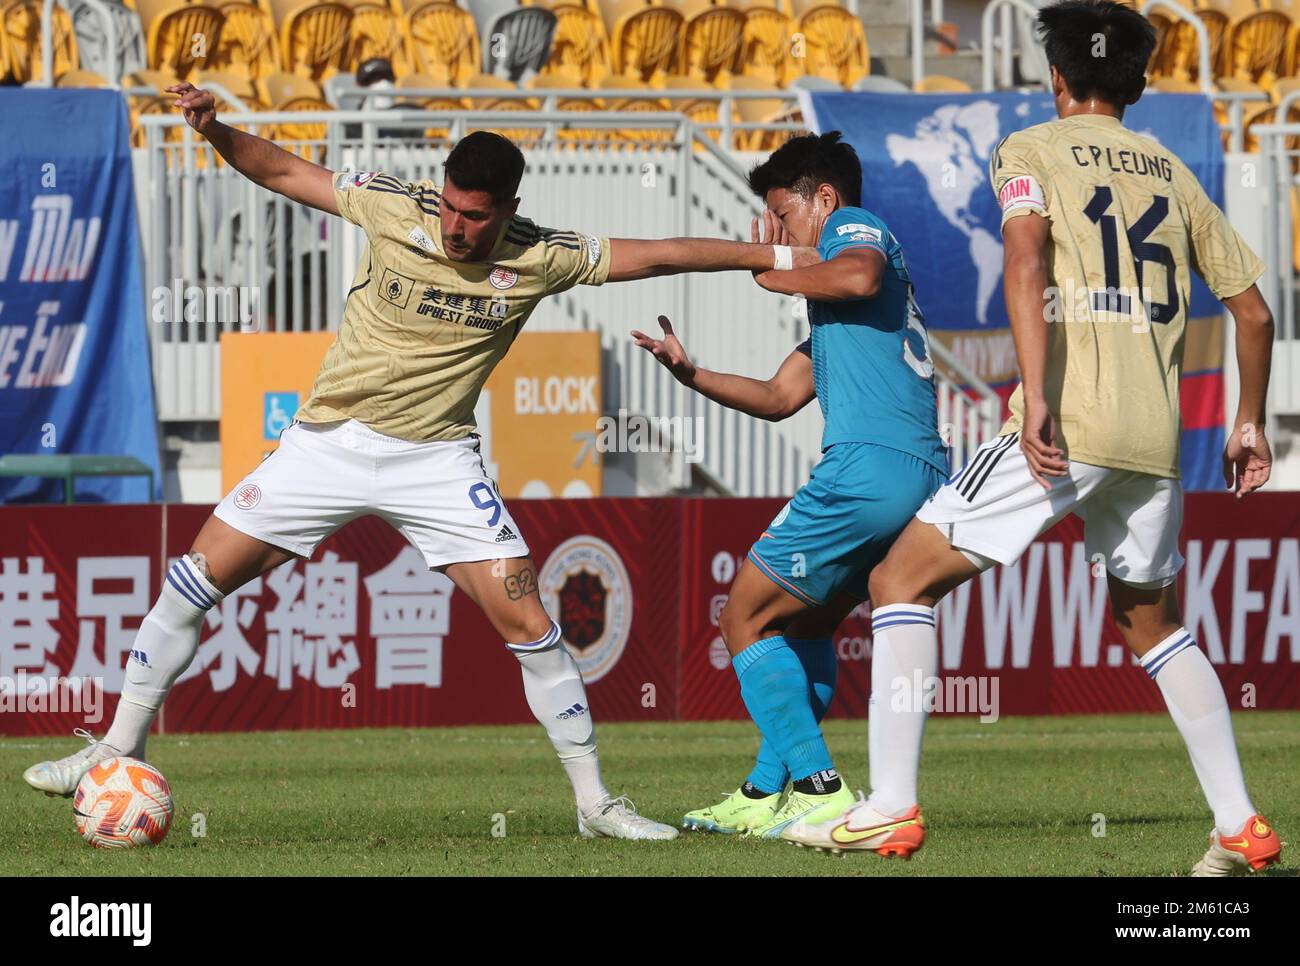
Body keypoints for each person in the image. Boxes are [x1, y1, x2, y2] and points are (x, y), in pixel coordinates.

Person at [23, 83, 817, 842]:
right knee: (191, 579)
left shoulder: (542, 255)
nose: (456, 227)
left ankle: (595, 803)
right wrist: (214, 129)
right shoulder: (392, 204)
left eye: (475, 216)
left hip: (437, 461)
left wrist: (772, 253)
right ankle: (117, 749)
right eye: (450, 206)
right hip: (328, 442)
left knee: (533, 625)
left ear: (506, 210)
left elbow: (661, 254)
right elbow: (286, 169)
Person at [783, 0, 1282, 875]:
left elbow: (1023, 260)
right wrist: (1247, 422)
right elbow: (1255, 311)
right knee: (1154, 625)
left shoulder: (1031, 149)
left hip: (1069, 423)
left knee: (900, 578)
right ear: (1137, 83)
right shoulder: (1173, 171)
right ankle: (1240, 825)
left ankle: (891, 808)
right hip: (1154, 443)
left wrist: (1039, 396)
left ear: (1055, 77)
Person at [637, 132, 948, 838]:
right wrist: (693, 374)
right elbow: (781, 395)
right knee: (804, 624)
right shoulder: (846, 316)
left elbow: (859, 271)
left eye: (784, 214)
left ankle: (822, 789)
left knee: (741, 619)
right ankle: (762, 791)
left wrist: (772, 270)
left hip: (867, 468)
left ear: (825, 199)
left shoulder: (850, 234)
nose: (777, 232)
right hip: (915, 474)